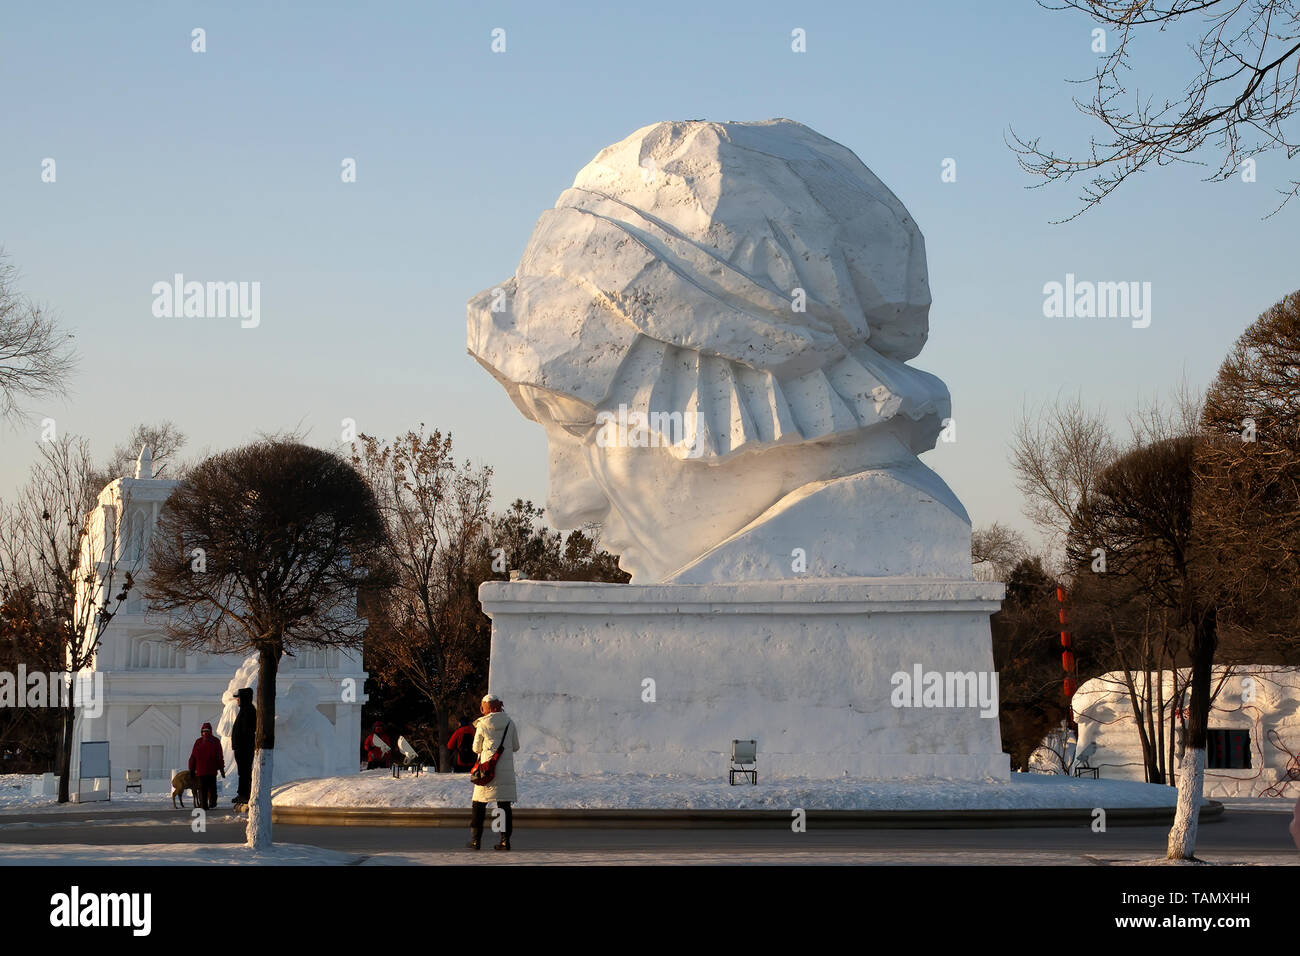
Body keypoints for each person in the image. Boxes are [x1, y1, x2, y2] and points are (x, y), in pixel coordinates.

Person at [467, 694, 520, 851]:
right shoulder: (510, 723)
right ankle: (505, 841)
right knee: (503, 806)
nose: (481, 709)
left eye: (482, 706)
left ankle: (476, 841)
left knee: (479, 805)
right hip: (504, 773)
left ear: (489, 708)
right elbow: (516, 746)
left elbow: (476, 748)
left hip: (486, 771)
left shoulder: (482, 724)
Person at [188, 722, 225, 810]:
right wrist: (221, 768)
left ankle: (203, 805)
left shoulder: (198, 742)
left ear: (202, 731)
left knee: (202, 789)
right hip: (212, 770)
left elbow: (193, 757)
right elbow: (219, 757)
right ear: (211, 731)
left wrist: (191, 770)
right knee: (212, 787)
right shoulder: (216, 741)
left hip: (200, 771)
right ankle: (212, 802)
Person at [230, 688, 256, 810]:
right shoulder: (244, 711)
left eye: (238, 698)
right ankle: (242, 793)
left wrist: (240, 743)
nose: (237, 701)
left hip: (245, 747)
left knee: (245, 772)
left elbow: (247, 730)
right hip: (241, 747)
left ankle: (245, 794)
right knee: (242, 772)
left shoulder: (249, 711)